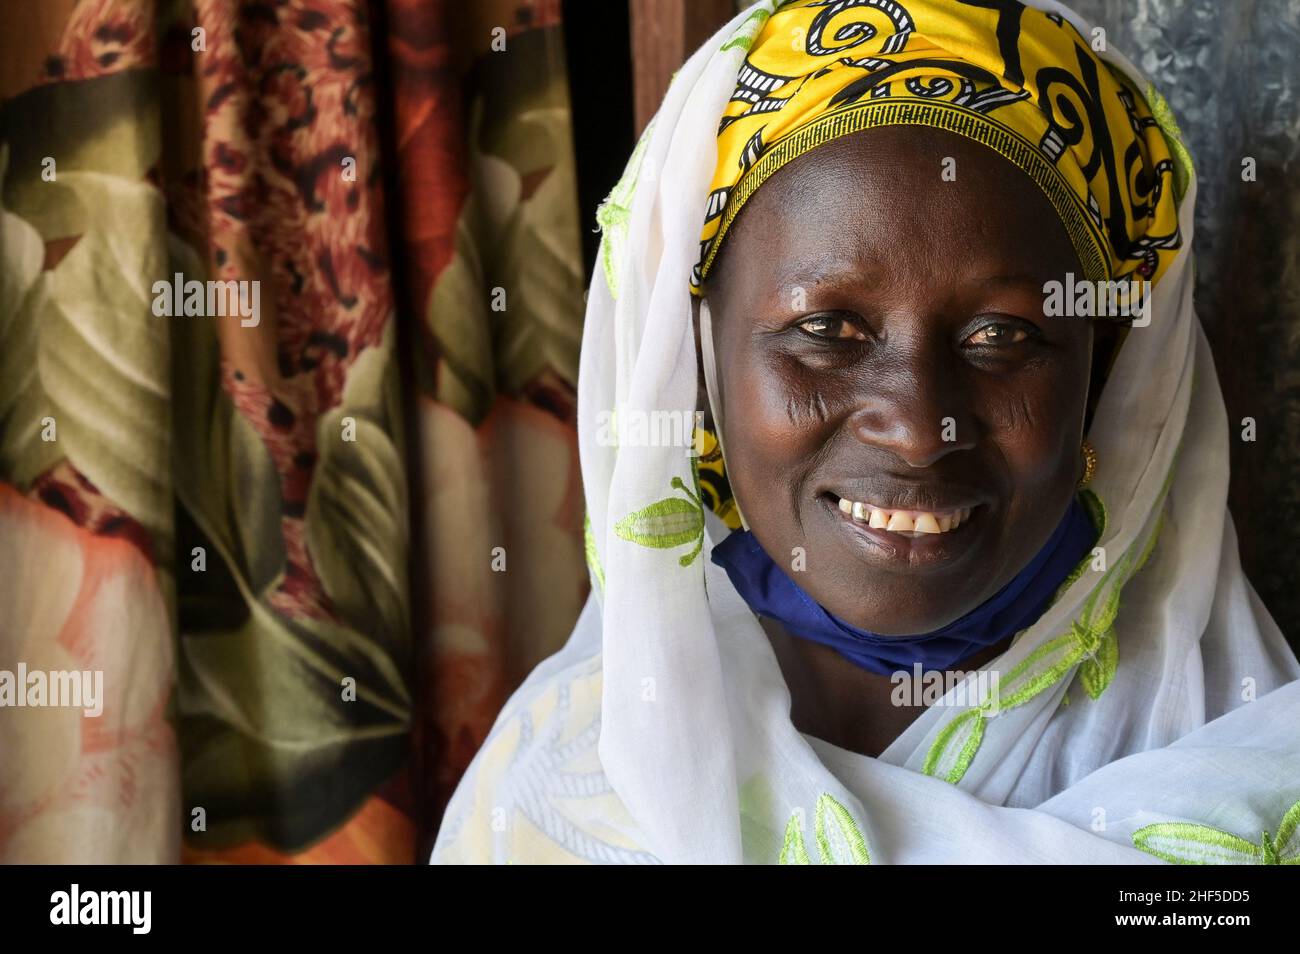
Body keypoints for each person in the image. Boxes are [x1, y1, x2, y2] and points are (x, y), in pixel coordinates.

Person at [431, 0, 1300, 864]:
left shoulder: (1252, 774)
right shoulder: (557, 798)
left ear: (1105, 371)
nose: (920, 428)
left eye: (1002, 336)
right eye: (825, 331)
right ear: (696, 365)